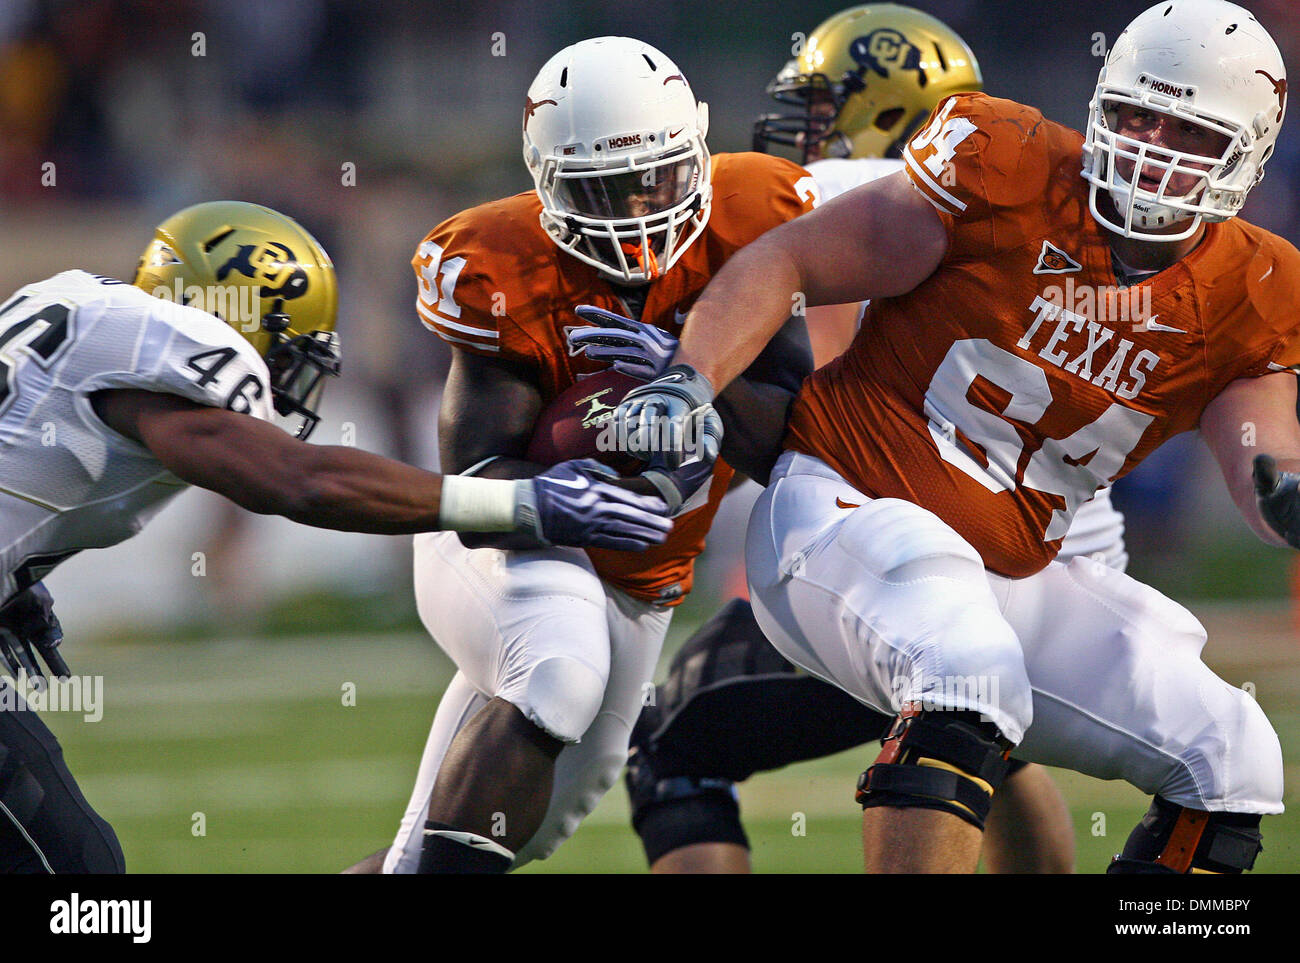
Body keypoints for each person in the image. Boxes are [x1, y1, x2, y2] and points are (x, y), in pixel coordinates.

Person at [611, 0, 1293, 873]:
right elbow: (788, 260)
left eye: (1188, 132)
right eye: (1135, 115)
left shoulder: (1260, 284)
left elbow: (1262, 452)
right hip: (849, 505)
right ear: (1100, 106)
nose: (1153, 146)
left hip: (1017, 567)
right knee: (965, 670)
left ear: (1249, 149)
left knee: (1233, 752)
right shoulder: (1002, 162)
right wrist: (687, 379)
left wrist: (1286, 494)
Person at [0, 200, 672, 873]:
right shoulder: (175, 342)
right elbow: (298, 480)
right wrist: (524, 502)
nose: (292, 376)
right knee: (80, 878)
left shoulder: (71, 303)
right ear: (242, 310)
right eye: (291, 348)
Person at [621, 4, 1087, 874]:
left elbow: (812, 407)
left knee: (667, 750)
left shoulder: (827, 203)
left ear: (886, 108)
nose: (800, 127)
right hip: (1067, 577)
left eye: (822, 105)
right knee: (992, 729)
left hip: (918, 564)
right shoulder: (1020, 212)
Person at [377, 36, 818, 874]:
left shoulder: (752, 215)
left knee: (474, 846)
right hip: (520, 538)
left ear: (699, 149)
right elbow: (475, 486)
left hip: (645, 582)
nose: (641, 204)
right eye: (605, 187)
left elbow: (792, 440)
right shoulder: (504, 264)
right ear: (545, 179)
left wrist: (698, 372)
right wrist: (551, 499)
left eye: (659, 174)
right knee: (558, 669)